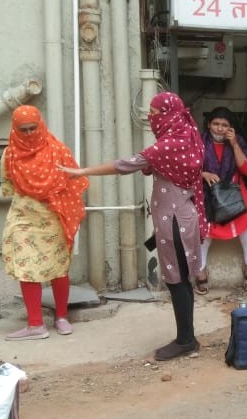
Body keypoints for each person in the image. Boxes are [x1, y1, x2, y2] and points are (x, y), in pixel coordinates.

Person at [60, 92, 208, 361]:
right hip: (181, 216)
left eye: (153, 113)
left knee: (177, 281)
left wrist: (82, 172)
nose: (151, 118)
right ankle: (187, 337)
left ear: (167, 114)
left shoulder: (167, 145)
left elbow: (125, 165)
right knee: (181, 280)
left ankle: (186, 340)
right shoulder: (187, 134)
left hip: (174, 219)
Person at [1, 105, 89, 340]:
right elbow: (7, 185)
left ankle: (61, 317)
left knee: (58, 266)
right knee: (25, 267)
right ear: (15, 129)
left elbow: (74, 181)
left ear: (41, 125)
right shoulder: (10, 154)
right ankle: (35, 324)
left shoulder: (58, 151)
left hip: (53, 216)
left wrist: (57, 199)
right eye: (23, 130)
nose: (29, 134)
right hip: (24, 218)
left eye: (33, 128)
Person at [198, 107, 247, 292]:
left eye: (224, 125)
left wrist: (234, 144)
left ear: (231, 128)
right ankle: (200, 272)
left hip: (233, 191)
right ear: (209, 125)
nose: (219, 128)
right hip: (206, 193)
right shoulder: (198, 141)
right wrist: (203, 174)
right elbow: (188, 168)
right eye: (216, 124)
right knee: (202, 232)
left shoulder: (237, 141)